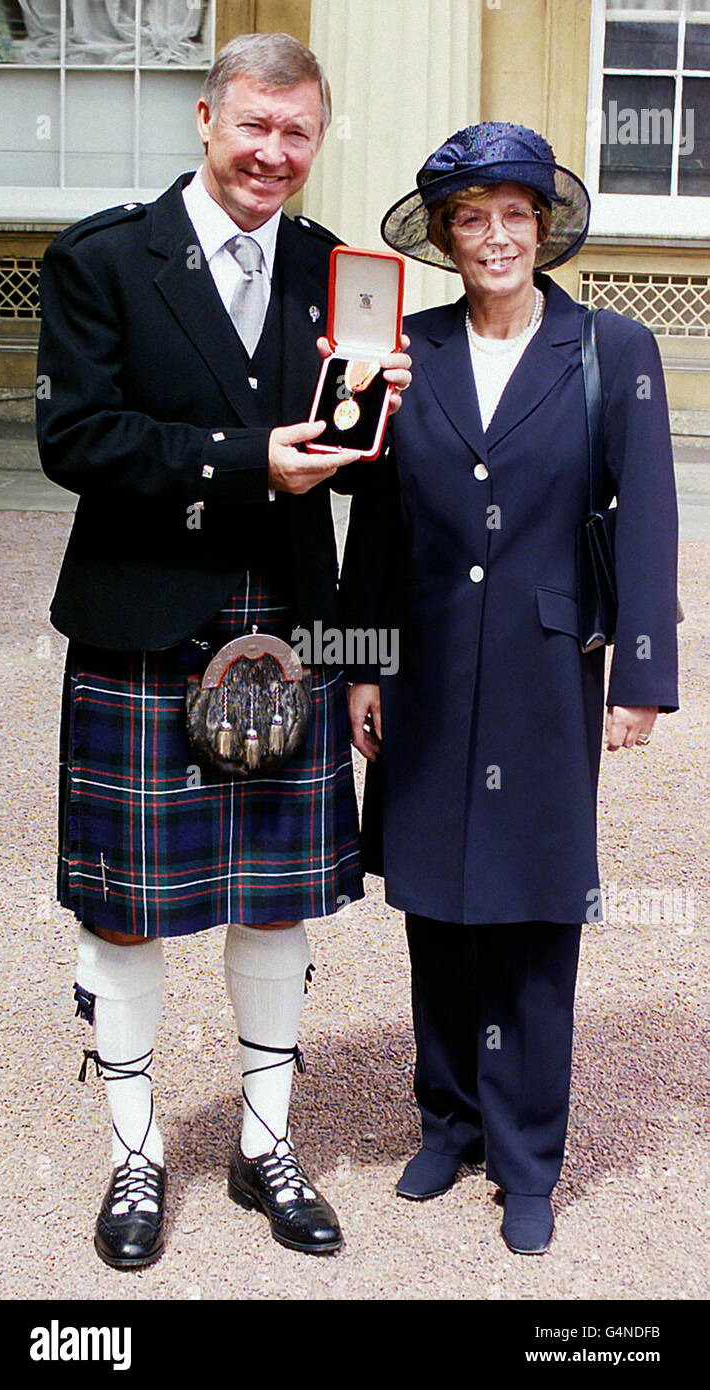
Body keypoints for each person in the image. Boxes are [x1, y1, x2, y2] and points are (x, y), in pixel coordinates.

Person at [36, 31, 410, 1268]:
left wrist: (389, 417)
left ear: (316, 135)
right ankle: (137, 1151)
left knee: (274, 902)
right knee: (130, 914)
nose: (273, 153)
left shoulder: (337, 269)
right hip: (145, 628)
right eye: (253, 125)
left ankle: (264, 1141)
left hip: (291, 628)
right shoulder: (102, 257)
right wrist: (245, 460)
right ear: (207, 118)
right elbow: (76, 440)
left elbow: (365, 462)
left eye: (296, 132)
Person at [341, 123, 679, 1254]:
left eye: (513, 214)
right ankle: (448, 1118)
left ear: (543, 229)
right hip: (426, 669)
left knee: (536, 910)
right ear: (444, 236)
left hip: (546, 672)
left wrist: (639, 673)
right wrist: (358, 663)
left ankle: (528, 1156)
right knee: (432, 895)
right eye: (469, 217)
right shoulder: (406, 348)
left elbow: (648, 523)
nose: (493, 235)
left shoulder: (610, 348)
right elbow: (374, 523)